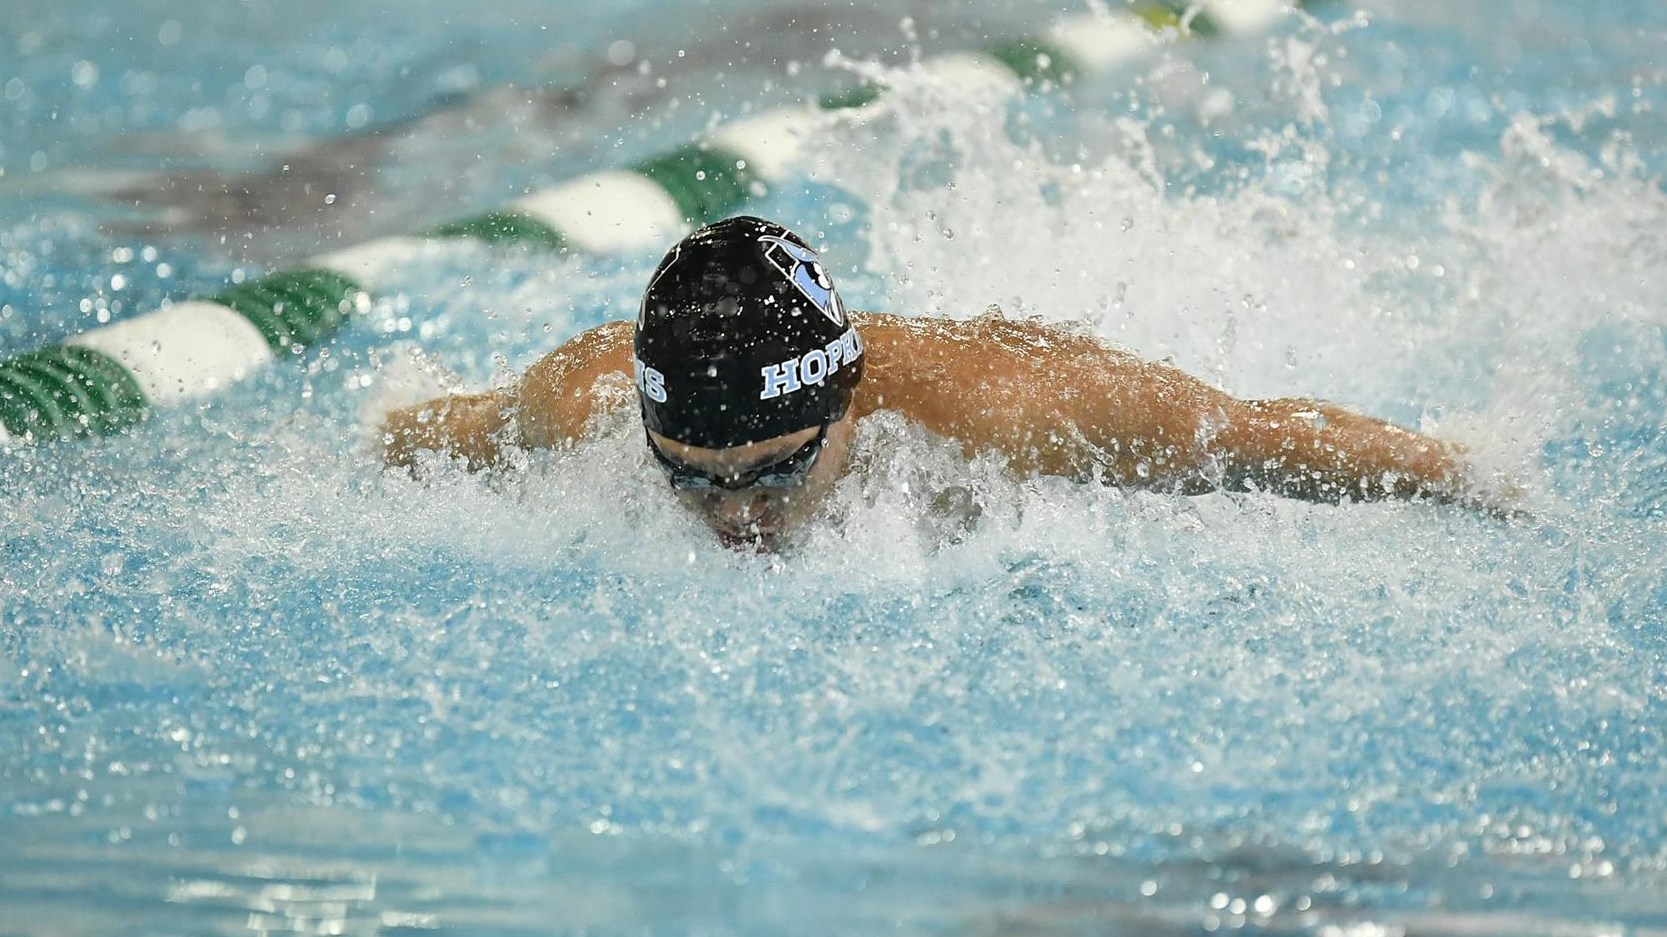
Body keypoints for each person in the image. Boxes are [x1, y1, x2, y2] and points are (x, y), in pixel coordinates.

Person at [382, 215, 1505, 548]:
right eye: (689, 482)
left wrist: (1479, 477)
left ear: (844, 407)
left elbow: (1253, 435)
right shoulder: (575, 401)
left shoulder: (1015, 415)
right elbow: (430, 435)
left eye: (773, 476)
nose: (734, 520)